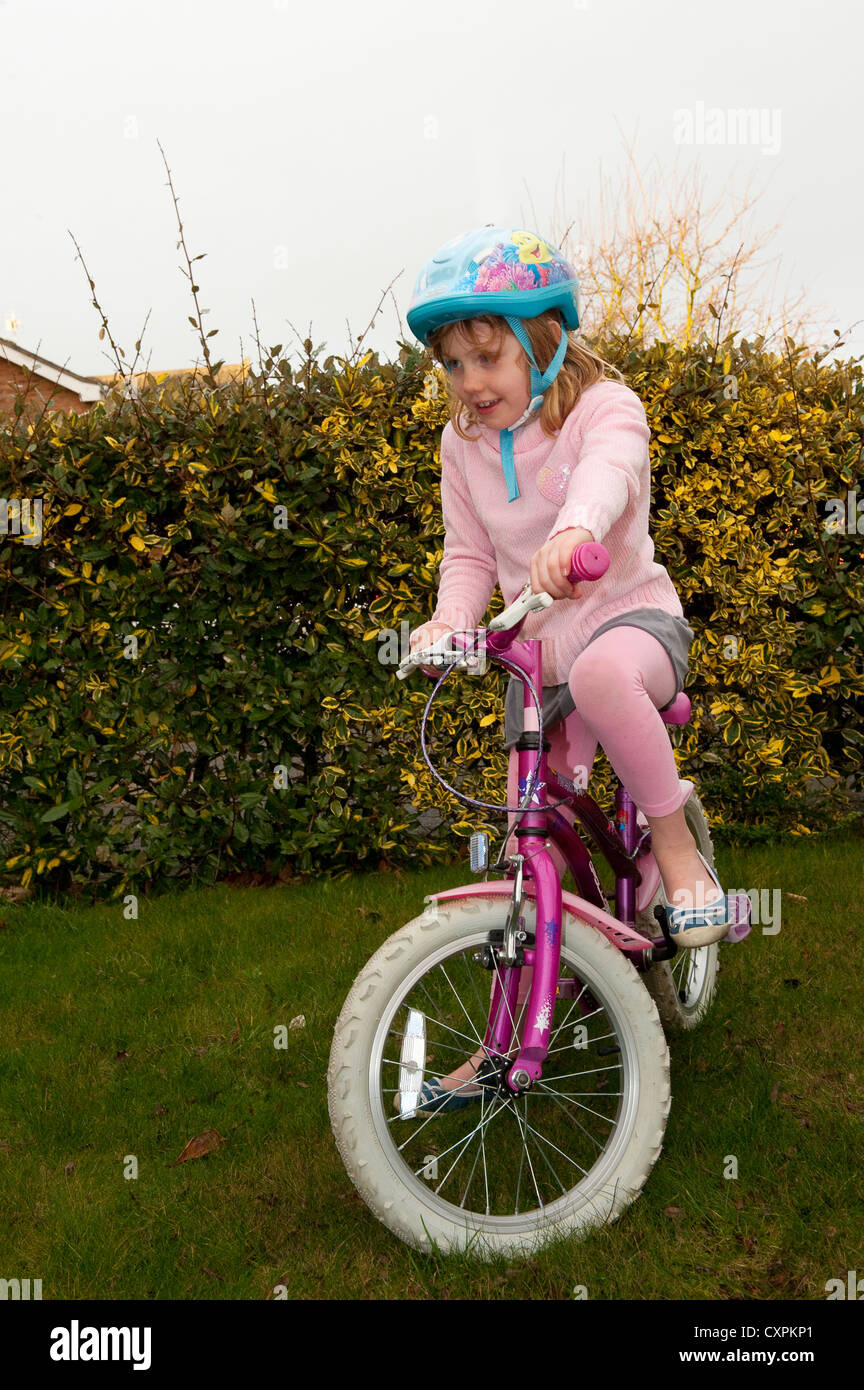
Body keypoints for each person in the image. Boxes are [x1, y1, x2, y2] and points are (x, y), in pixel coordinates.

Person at [404, 225, 732, 1110]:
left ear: (544, 340)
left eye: (488, 356)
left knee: (596, 680)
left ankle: (675, 848)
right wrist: (449, 620)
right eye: (455, 364)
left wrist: (575, 530)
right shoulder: (461, 444)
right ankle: (502, 1036)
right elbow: (468, 554)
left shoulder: (604, 408)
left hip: (632, 626)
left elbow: (614, 472)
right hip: (540, 656)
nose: (472, 382)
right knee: (525, 828)